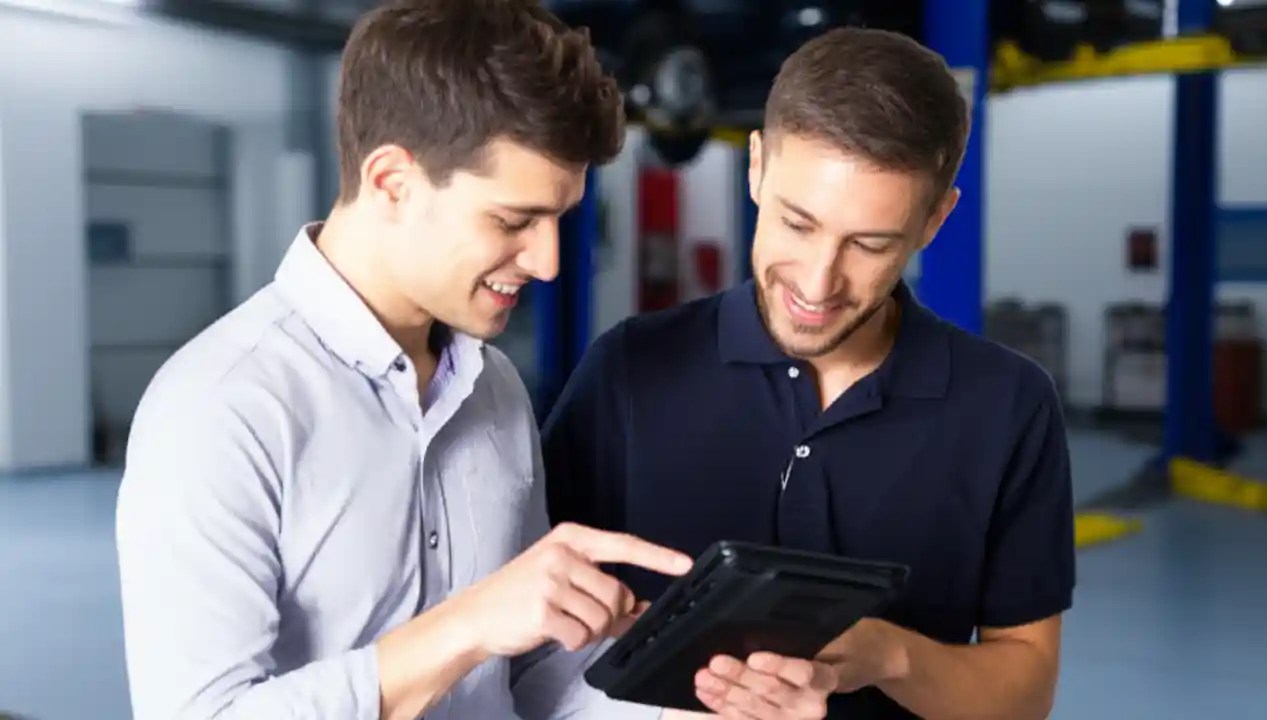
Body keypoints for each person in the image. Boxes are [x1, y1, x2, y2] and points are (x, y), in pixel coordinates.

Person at [115, 2, 832, 719]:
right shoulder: (220, 407)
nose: (547, 262)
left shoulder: (493, 388)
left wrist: (698, 702)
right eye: (514, 220)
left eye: (558, 220)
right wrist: (467, 626)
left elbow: (529, 673)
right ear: (392, 182)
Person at [542, 26, 1077, 720]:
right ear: (756, 167)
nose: (819, 283)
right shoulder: (629, 371)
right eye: (798, 224)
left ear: (935, 220)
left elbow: (1026, 691)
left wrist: (888, 654)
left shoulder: (1008, 407)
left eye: (869, 244)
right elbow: (522, 627)